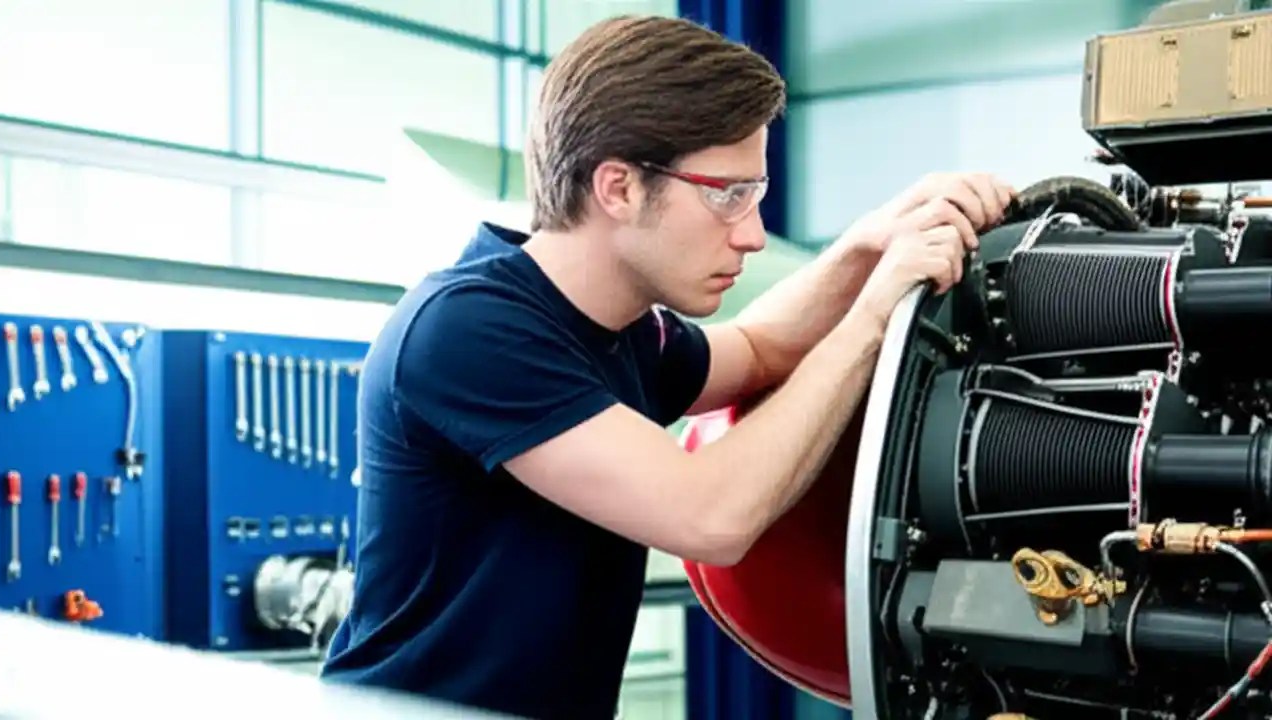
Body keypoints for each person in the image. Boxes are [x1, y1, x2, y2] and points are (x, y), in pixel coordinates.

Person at [319, 13, 1015, 720]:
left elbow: (757, 350)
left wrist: (869, 244)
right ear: (618, 188)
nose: (749, 233)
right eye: (725, 195)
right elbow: (711, 516)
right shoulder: (469, 329)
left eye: (755, 194)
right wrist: (875, 315)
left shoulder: (620, 329)